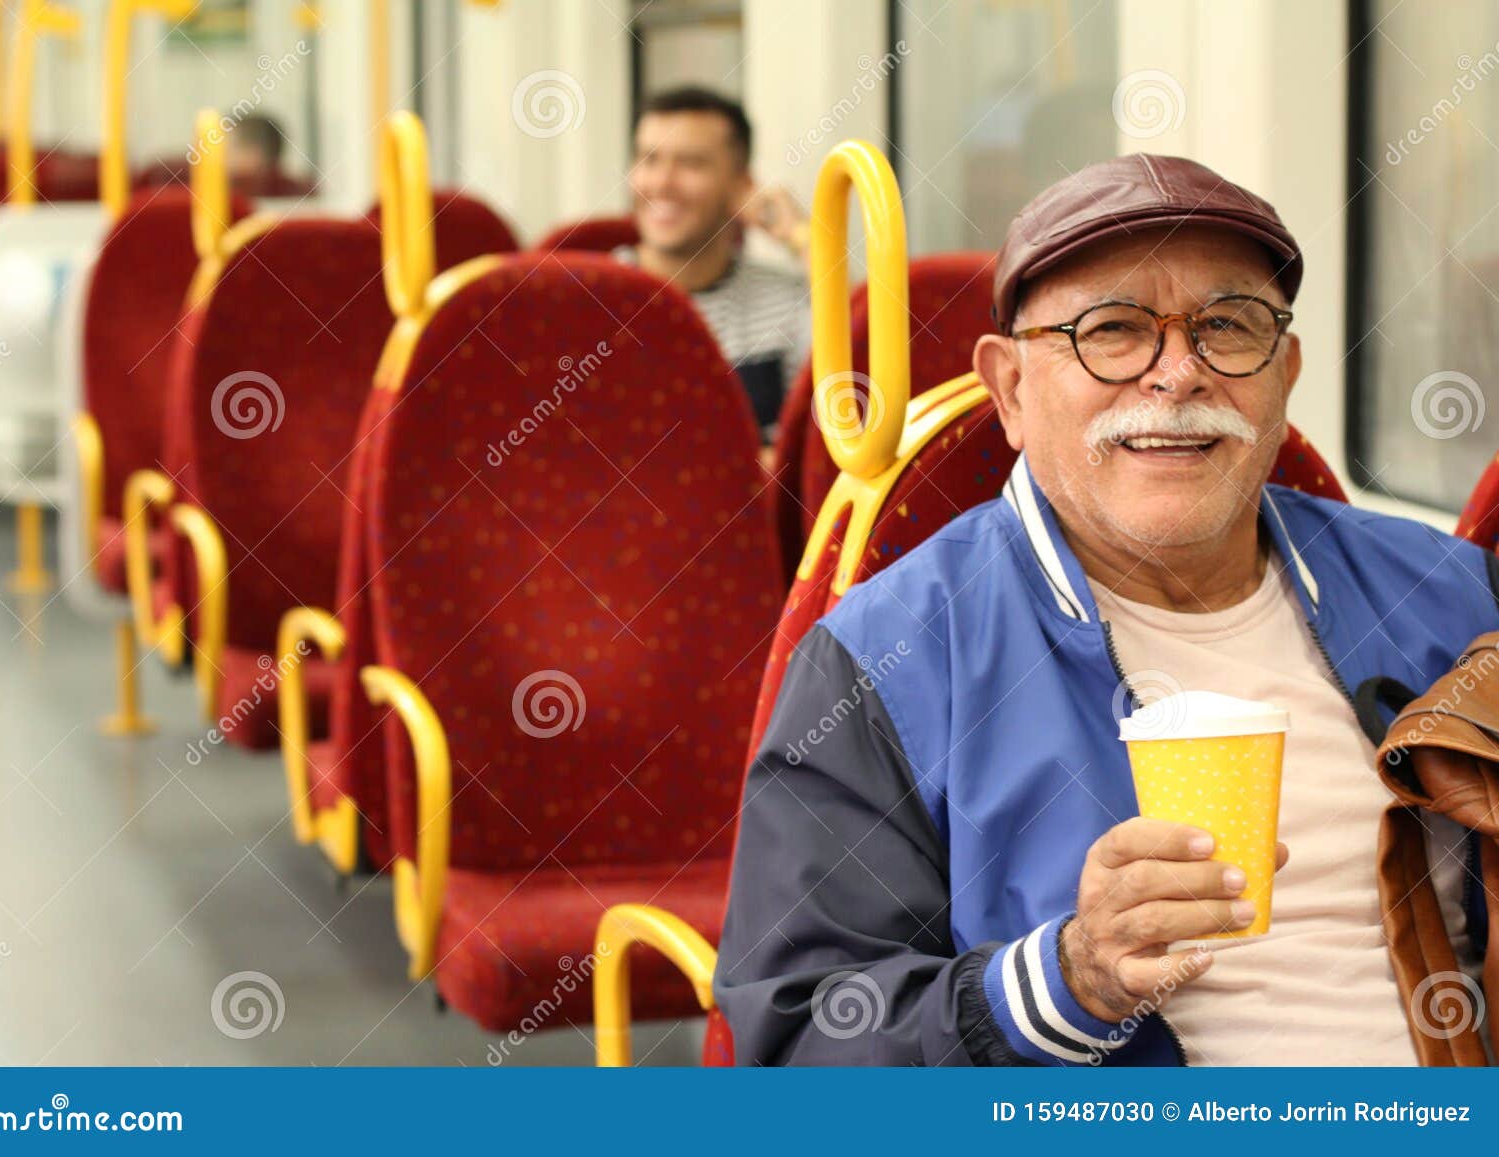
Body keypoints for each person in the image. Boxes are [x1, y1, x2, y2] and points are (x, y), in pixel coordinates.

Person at [712, 153, 1494, 1066]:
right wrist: (1063, 980)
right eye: (1112, 330)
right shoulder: (890, 659)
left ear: (1284, 375)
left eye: (1229, 326)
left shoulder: (1453, 594)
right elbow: (797, 1038)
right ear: (1009, 388)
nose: (1179, 373)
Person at [617, 86, 812, 444]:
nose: (662, 183)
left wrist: (807, 241)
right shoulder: (584, 297)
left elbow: (856, 399)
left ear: (742, 187)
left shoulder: (792, 302)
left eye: (691, 163)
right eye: (649, 160)